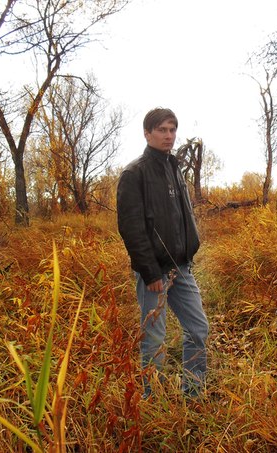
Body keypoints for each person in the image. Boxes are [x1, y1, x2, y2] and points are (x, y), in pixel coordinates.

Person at [116, 107, 209, 399]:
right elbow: (131, 229)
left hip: (181, 267)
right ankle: (152, 400)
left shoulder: (174, 168)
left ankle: (193, 393)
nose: (169, 136)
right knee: (154, 339)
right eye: (162, 130)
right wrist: (150, 272)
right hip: (154, 272)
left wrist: (188, 252)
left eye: (172, 130)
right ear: (147, 133)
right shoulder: (135, 173)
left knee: (198, 329)